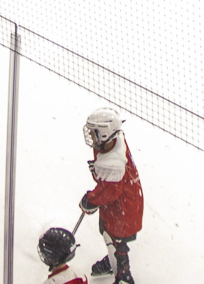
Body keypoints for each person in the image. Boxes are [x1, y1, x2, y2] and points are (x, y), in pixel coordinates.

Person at [80, 108, 142, 284]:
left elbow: (109, 191)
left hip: (123, 211)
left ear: (106, 134)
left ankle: (123, 274)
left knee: (115, 239)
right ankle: (113, 259)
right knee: (110, 235)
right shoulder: (112, 142)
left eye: (94, 132)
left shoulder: (114, 164)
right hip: (119, 206)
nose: (91, 136)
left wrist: (90, 200)